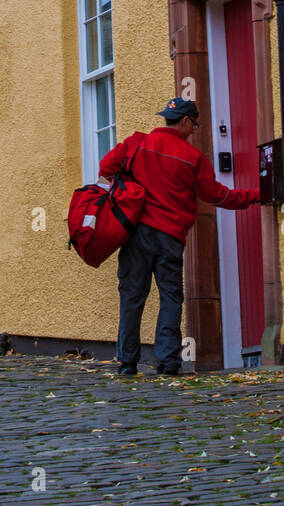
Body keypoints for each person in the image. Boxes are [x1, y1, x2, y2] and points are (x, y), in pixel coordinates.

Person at [98, 97, 261, 377]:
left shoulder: (136, 143)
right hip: (170, 236)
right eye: (194, 125)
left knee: (132, 297)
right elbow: (217, 195)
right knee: (171, 297)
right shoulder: (192, 158)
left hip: (136, 232)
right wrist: (256, 196)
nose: (194, 130)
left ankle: (127, 363)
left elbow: (105, 169)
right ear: (185, 121)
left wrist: (130, 191)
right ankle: (169, 362)